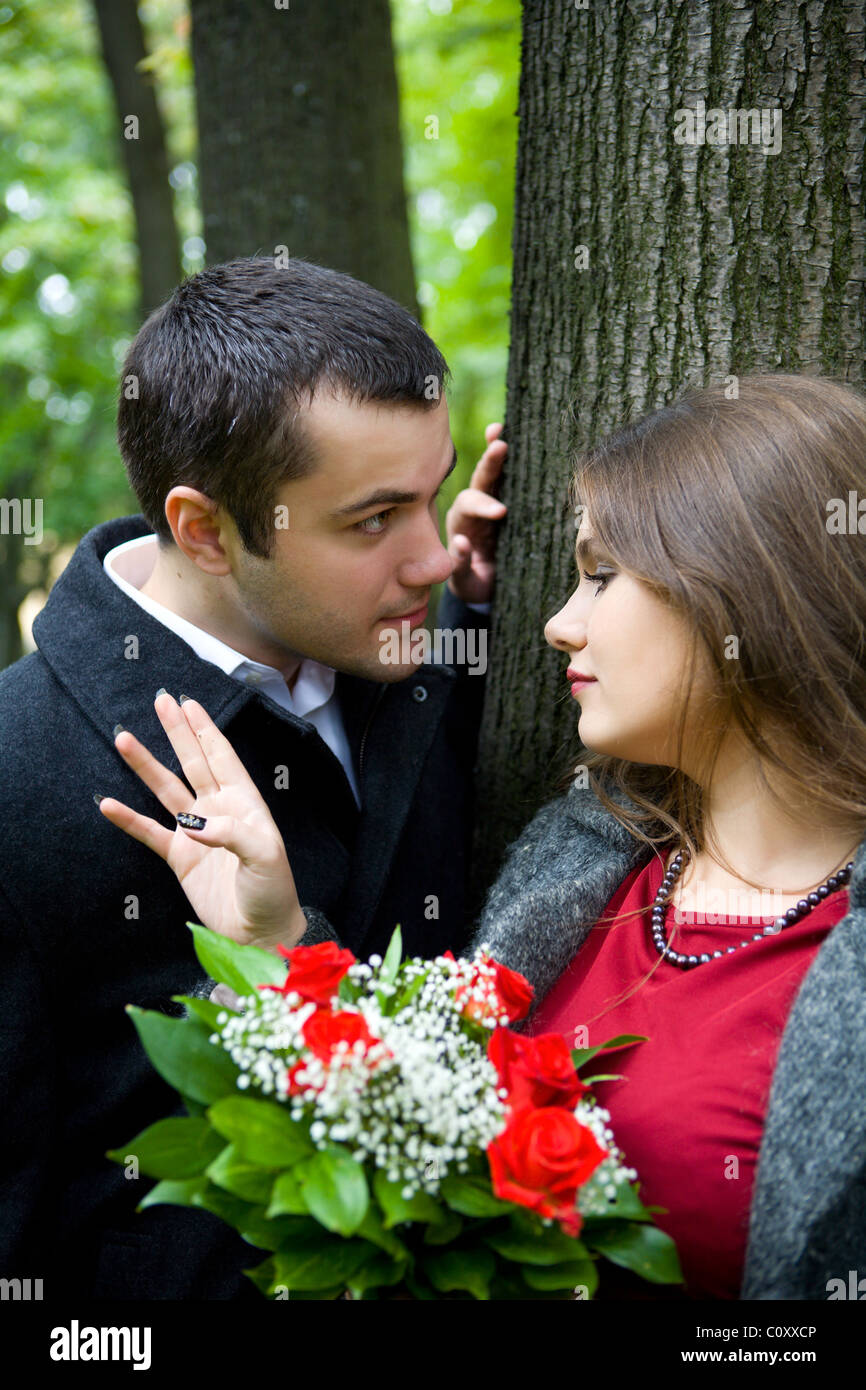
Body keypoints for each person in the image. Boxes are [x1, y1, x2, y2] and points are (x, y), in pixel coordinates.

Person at [108, 372, 866, 1301]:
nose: (556, 625)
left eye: (599, 575)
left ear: (746, 588)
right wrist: (276, 947)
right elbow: (421, 1163)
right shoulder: (584, 858)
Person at [0, 255, 507, 1299]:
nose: (428, 558)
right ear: (204, 530)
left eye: (435, 494)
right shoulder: (18, 773)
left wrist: (490, 622)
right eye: (373, 519)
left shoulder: (419, 651)